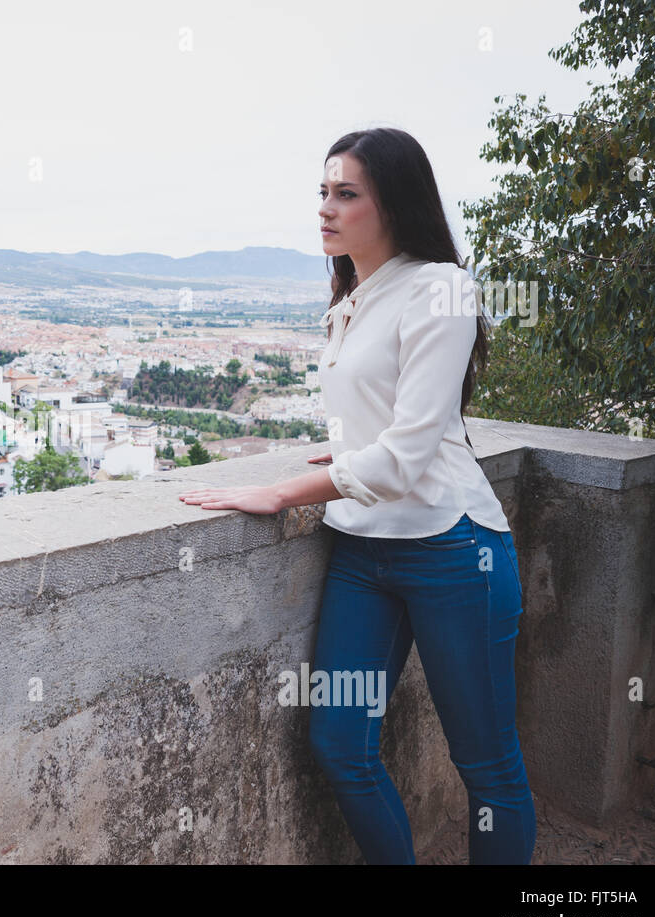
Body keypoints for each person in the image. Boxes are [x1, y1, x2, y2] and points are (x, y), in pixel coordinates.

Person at [178, 127, 535, 864]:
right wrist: (347, 449)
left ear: (395, 204)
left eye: (347, 194)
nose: (326, 209)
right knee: (340, 743)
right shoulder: (350, 298)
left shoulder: (441, 287)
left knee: (488, 769)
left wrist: (282, 491)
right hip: (364, 550)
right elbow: (388, 422)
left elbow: (409, 454)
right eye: (323, 192)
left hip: (452, 549)